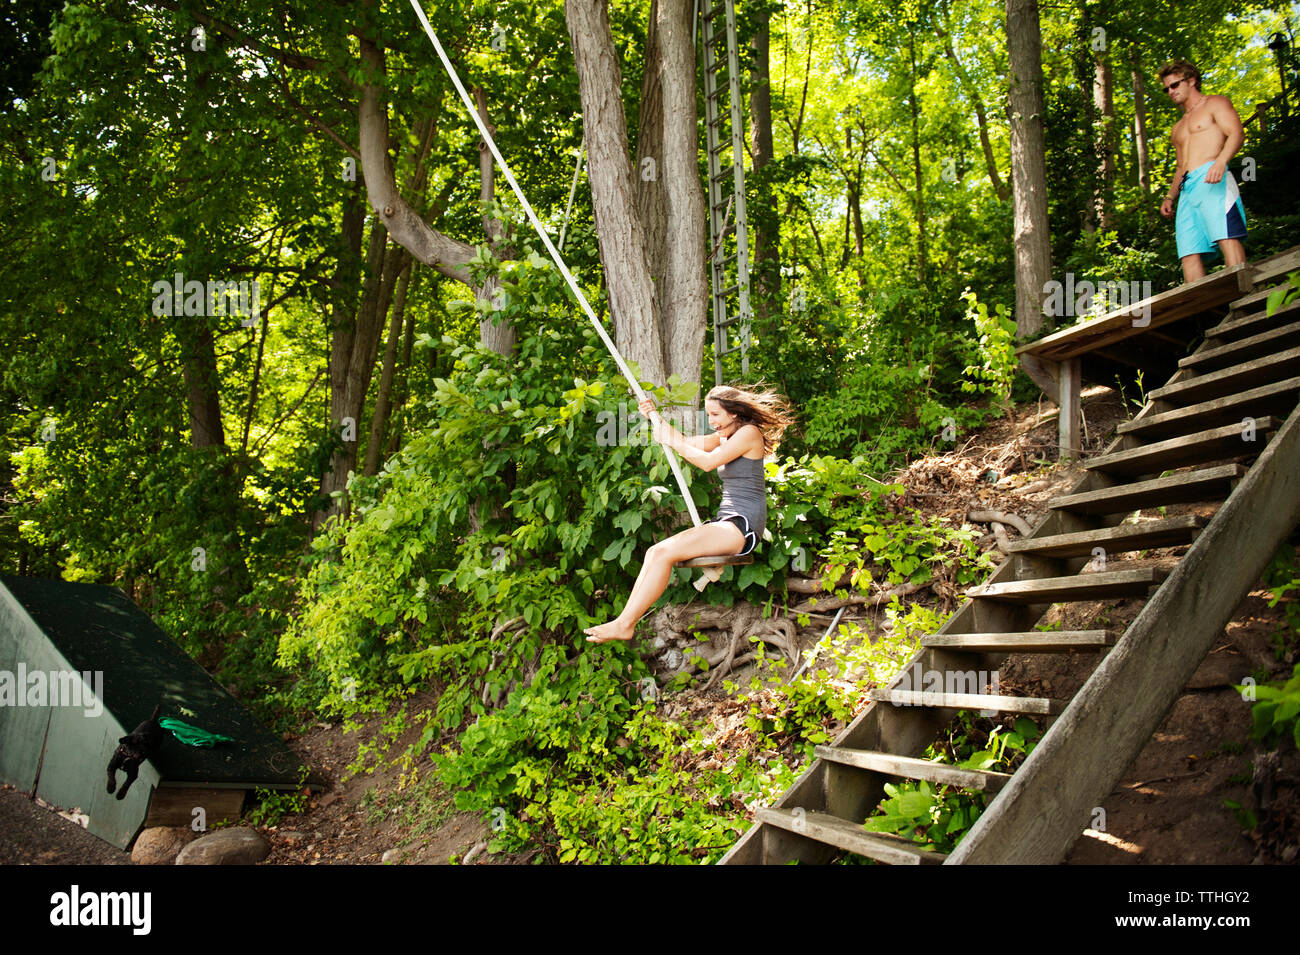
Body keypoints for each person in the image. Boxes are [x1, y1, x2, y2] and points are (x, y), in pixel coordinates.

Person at [584, 384, 793, 644]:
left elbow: (706, 462)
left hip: (742, 525)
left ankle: (625, 624)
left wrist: (670, 440)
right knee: (655, 553)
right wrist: (654, 417)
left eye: (715, 415)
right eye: (708, 415)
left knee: (662, 553)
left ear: (734, 413)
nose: (711, 421)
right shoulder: (726, 436)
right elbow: (684, 443)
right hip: (727, 522)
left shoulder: (748, 433)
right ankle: (624, 622)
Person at [1158, 59, 1248, 283]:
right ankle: (1202, 312)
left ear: (1192, 80)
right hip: (1188, 189)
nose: (1170, 91)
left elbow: (1236, 133)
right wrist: (1170, 195)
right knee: (1189, 252)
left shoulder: (1215, 103)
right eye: (1166, 88)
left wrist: (1220, 161)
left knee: (1226, 237)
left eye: (1175, 85)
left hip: (1213, 177)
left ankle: (1244, 298)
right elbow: (1181, 166)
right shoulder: (1177, 128)